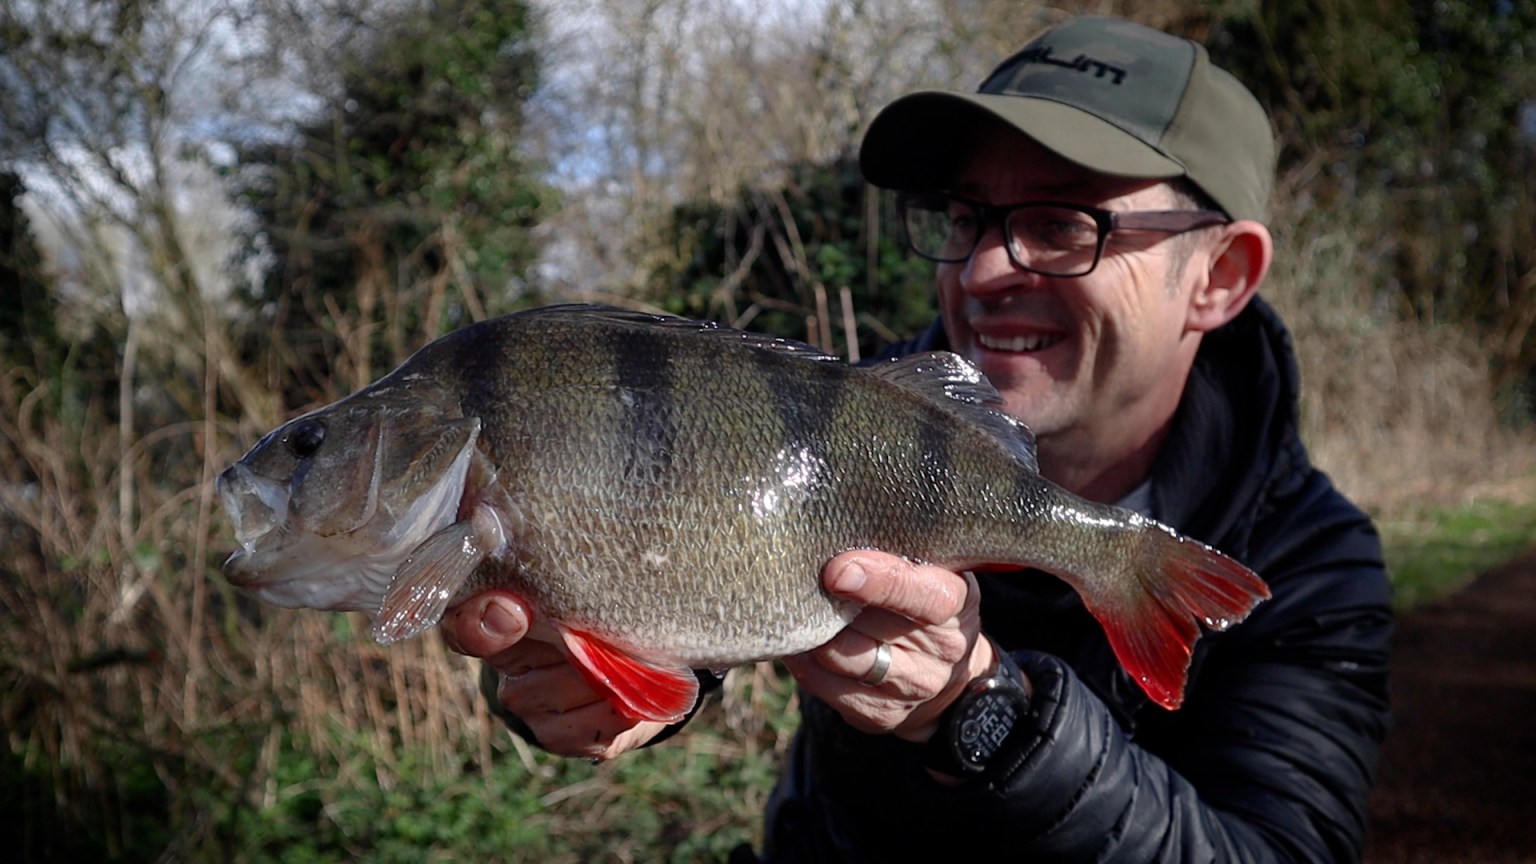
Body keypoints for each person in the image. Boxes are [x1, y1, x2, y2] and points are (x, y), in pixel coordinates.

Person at [443, 15, 1393, 862]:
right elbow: (713, 575)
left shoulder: (1312, 558)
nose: (982, 270)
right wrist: (612, 673)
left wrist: (988, 719)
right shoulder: (839, 411)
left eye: (1063, 224)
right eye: (968, 216)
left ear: (1220, 277)